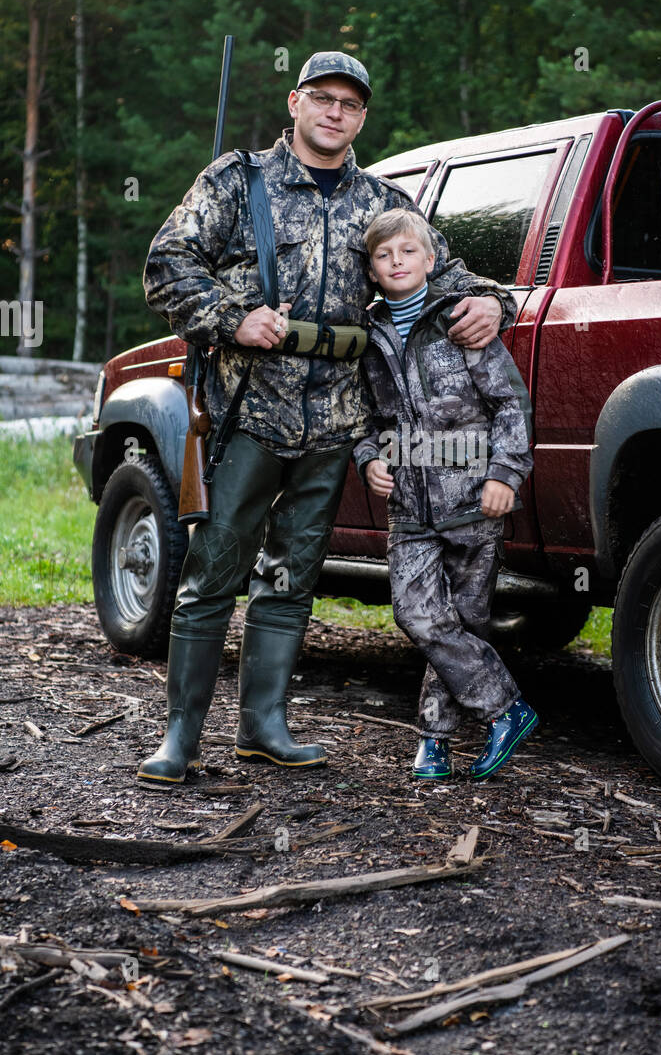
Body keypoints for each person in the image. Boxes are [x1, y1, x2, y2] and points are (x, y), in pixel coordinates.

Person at [137, 51, 516, 784]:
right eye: (323, 98)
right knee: (214, 572)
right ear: (295, 103)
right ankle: (181, 736)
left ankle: (263, 726)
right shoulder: (236, 181)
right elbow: (166, 264)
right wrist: (231, 316)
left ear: (362, 116)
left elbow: (450, 270)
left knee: (293, 575)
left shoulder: (382, 201)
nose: (335, 112)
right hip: (249, 409)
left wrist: (493, 300)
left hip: (338, 417)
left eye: (350, 102)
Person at [354, 207, 538, 782]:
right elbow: (362, 417)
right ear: (373, 272)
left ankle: (434, 739)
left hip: (471, 501)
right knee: (419, 615)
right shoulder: (370, 337)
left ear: (432, 259)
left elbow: (511, 403)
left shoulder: (461, 322)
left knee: (465, 620)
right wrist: (369, 459)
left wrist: (505, 475)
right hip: (408, 506)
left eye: (408, 252)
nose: (397, 262)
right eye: (384, 257)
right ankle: (507, 710)